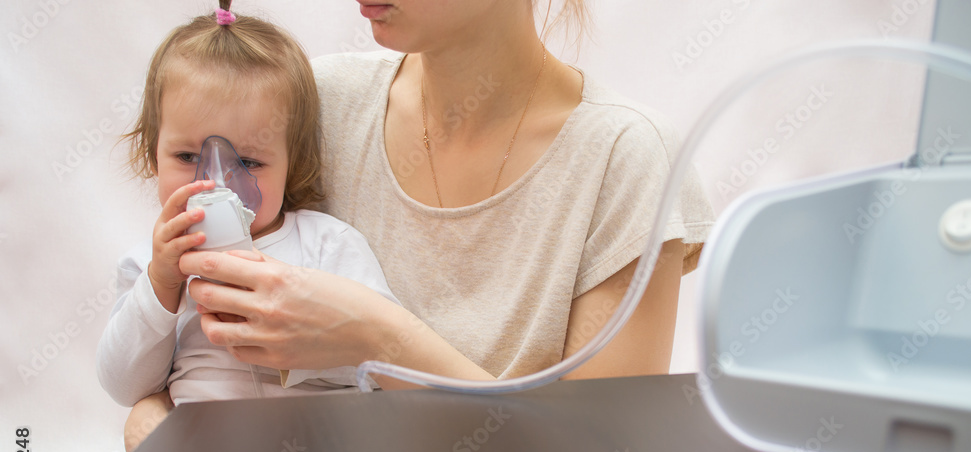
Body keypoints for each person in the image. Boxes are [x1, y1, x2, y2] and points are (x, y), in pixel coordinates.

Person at [168, 0, 712, 406]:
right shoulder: (322, 101)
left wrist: (376, 336)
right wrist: (152, 415)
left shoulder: (626, 159)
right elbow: (192, 342)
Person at [98, 2, 398, 452]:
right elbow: (123, 385)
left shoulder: (326, 244)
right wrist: (160, 285)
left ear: (291, 164)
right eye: (185, 157)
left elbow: (383, 367)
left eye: (250, 162)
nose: (216, 181)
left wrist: (296, 346)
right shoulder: (149, 266)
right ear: (151, 154)